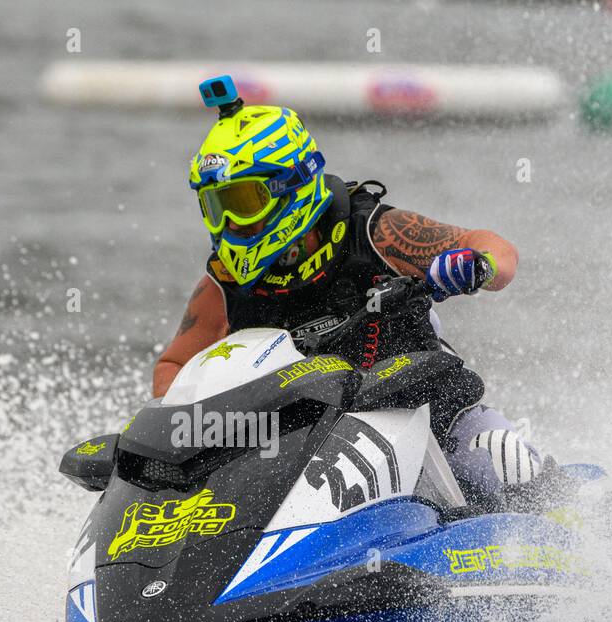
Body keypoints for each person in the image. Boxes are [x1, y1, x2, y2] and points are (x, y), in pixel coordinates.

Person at [152, 76, 545, 499]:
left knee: (503, 458)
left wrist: (477, 265)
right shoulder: (226, 280)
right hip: (302, 448)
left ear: (291, 185)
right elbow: (173, 370)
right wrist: (187, 429)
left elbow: (499, 252)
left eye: (243, 203)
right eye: (217, 205)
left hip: (426, 416)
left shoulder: (375, 232)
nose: (228, 223)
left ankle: (567, 520)